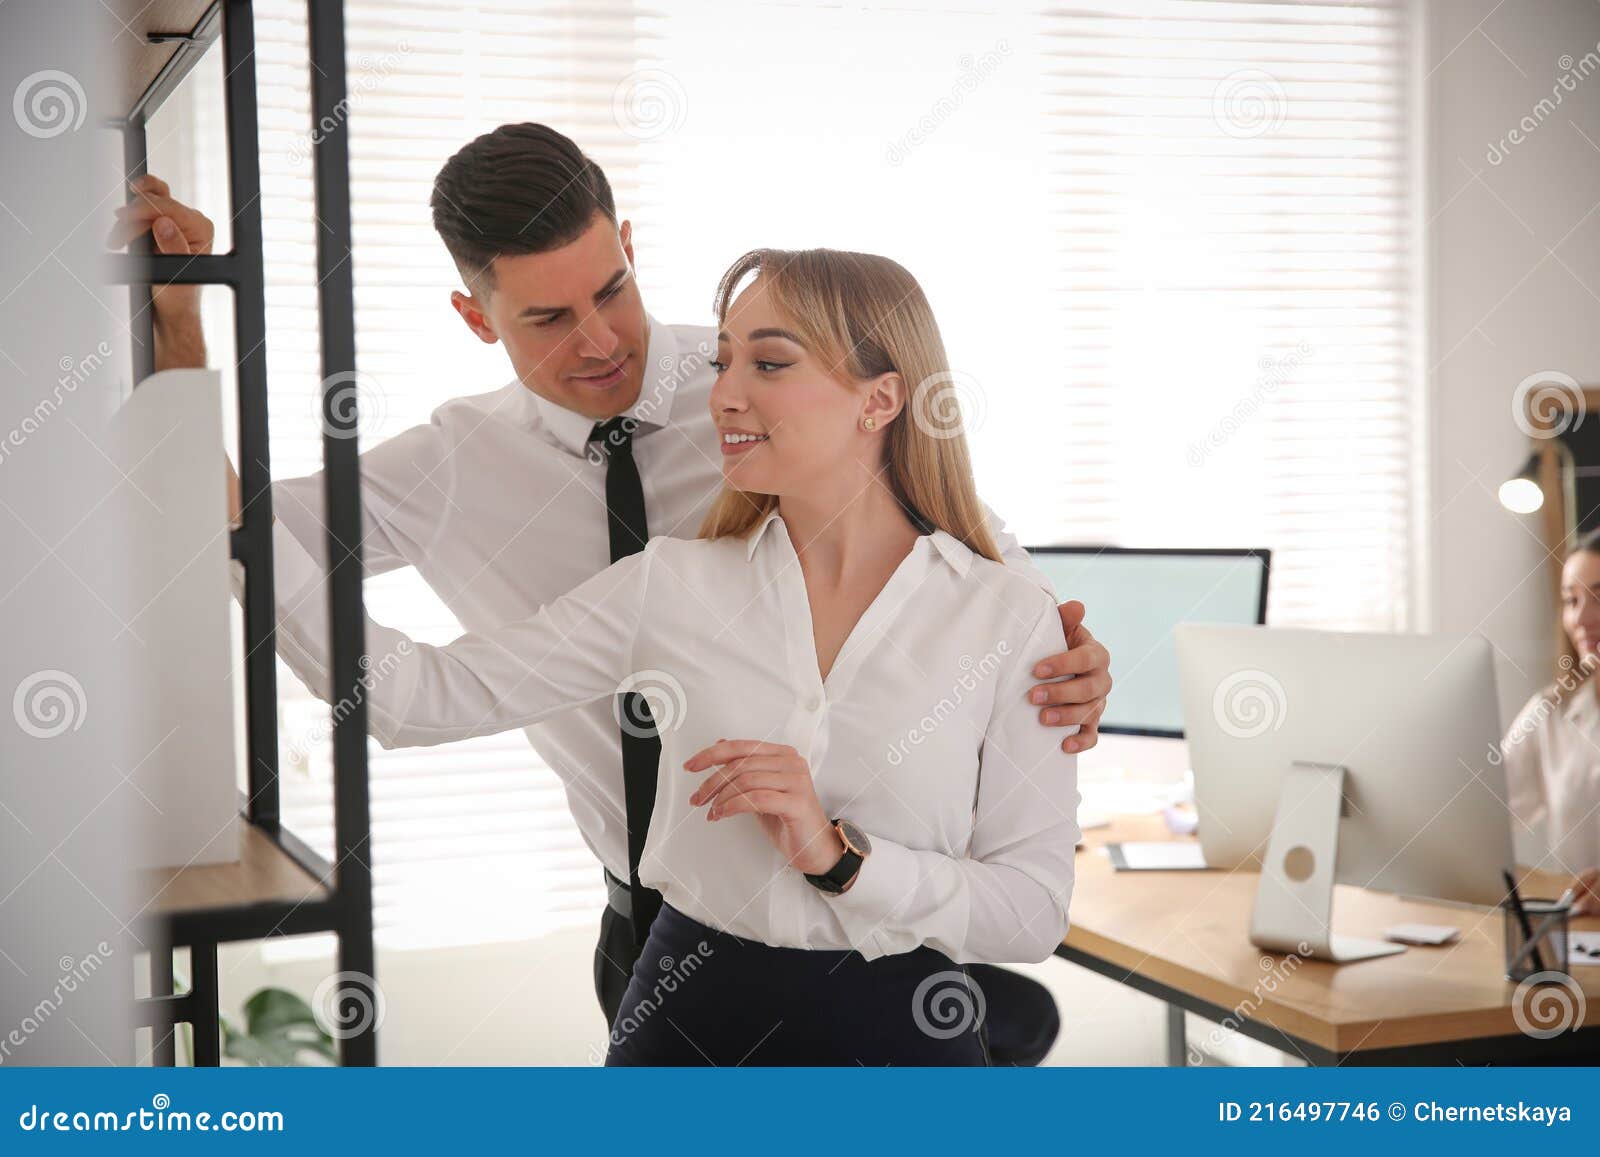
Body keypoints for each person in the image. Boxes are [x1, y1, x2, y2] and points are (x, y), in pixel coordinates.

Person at [119, 123, 1109, 1062]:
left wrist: (1055, 660)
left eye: (613, 289)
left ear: (629, 248)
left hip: (898, 963)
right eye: (548, 317)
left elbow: (961, 559)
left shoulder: (769, 387)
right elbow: (244, 536)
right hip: (668, 938)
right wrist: (181, 334)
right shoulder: (480, 481)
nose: (601, 341)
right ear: (476, 316)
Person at [1501, 527, 1600, 915]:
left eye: (1599, 596)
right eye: (1570, 600)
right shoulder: (1552, 711)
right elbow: (1486, 813)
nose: (1581, 617)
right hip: (1581, 937)